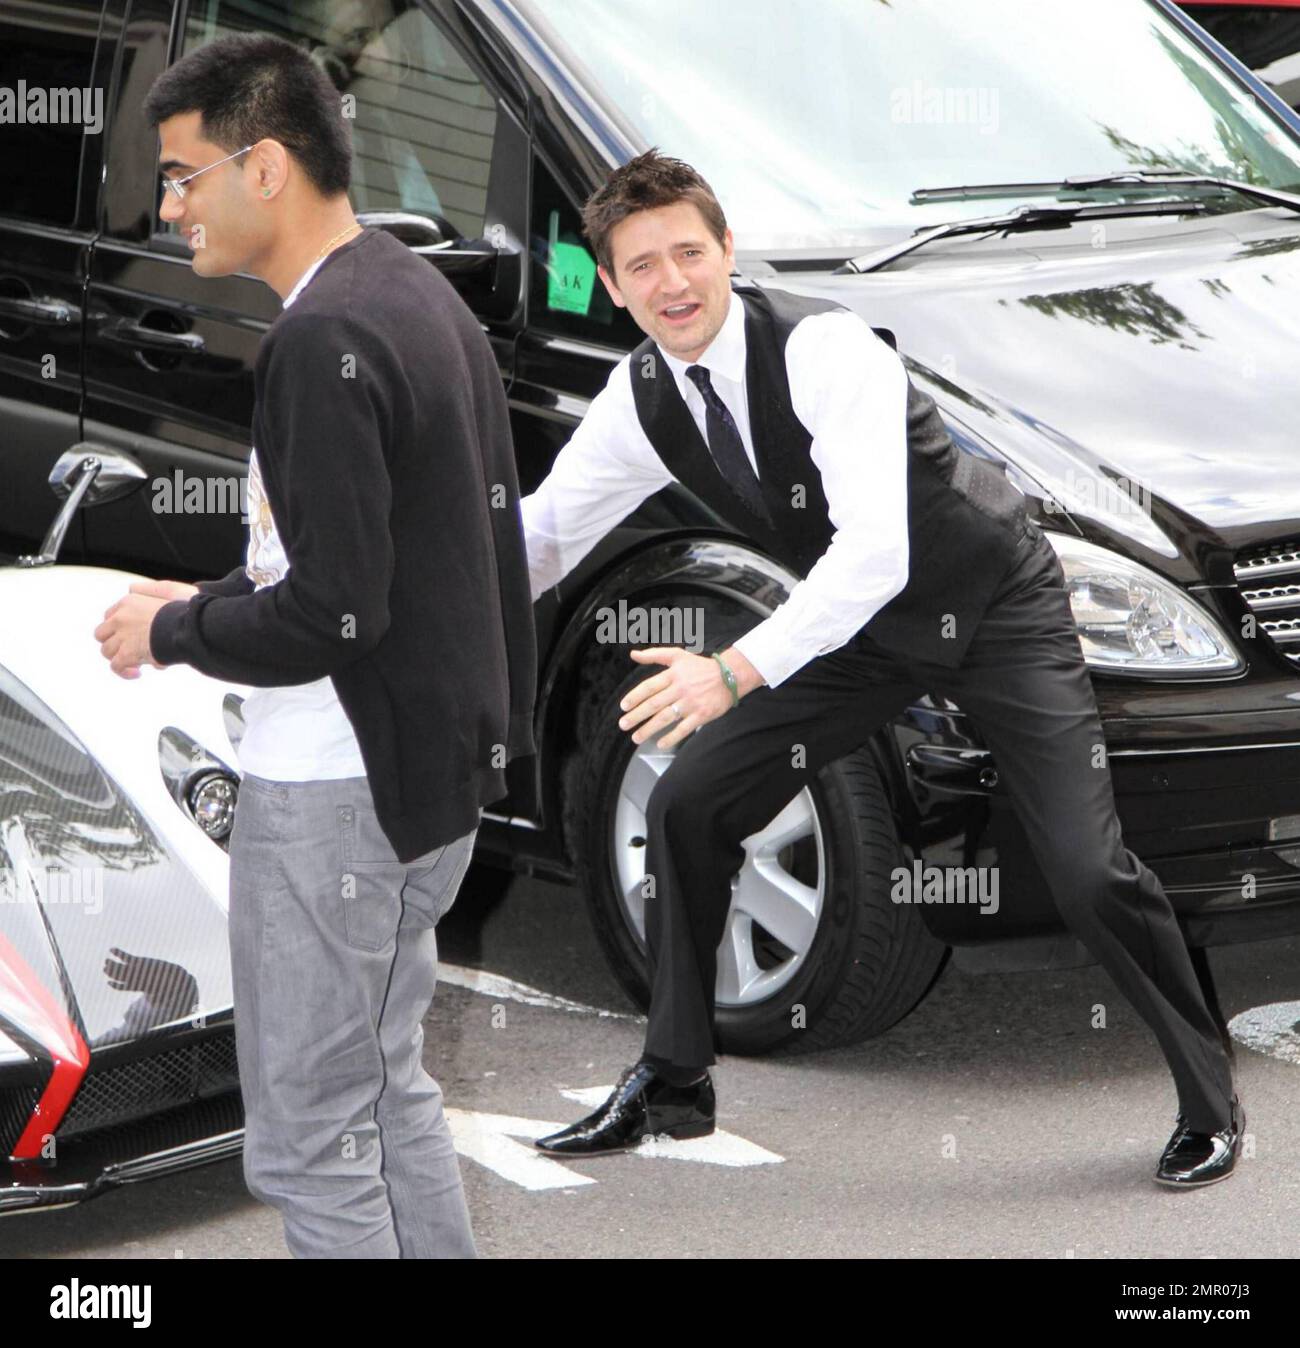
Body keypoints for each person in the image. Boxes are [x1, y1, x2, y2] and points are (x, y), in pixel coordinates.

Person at [521, 148, 1244, 1188]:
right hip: (861, 629)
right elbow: (542, 533)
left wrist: (727, 672)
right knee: (687, 802)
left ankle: (1208, 1102)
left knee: (1087, 870)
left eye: (688, 252)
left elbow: (874, 552)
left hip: (990, 599)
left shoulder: (824, 348)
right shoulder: (642, 396)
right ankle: (674, 1080)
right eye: (641, 266)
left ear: (727, 249)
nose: (670, 283)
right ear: (612, 281)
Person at [93, 32, 536, 1255]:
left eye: (184, 174)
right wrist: (206, 591)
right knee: (387, 1094)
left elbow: (335, 613)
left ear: (267, 167)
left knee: (305, 1140)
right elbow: (390, 551)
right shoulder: (410, 289)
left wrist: (177, 627)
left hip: (334, 793)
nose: (168, 205)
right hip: (422, 777)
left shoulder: (317, 342)